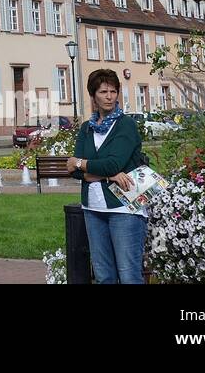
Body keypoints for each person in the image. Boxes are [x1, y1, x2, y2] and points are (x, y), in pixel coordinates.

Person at [67, 68, 150, 284]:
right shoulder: (86, 128)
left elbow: (113, 163)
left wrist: (80, 163)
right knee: (104, 276)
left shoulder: (126, 125)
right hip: (92, 209)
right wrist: (104, 176)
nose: (109, 96)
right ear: (93, 95)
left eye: (113, 91)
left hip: (124, 208)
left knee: (129, 275)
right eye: (103, 92)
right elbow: (74, 172)